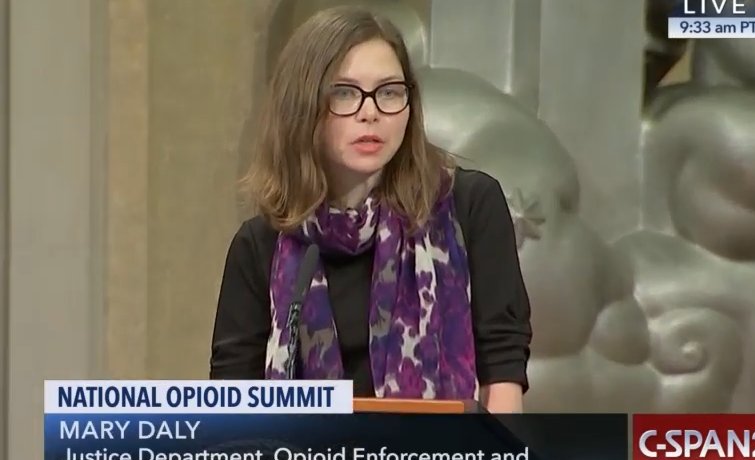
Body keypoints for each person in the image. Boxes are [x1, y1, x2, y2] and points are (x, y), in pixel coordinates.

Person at [210, 6, 532, 413]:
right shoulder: (261, 245)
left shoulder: (470, 206)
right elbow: (231, 403)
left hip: (446, 452)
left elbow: (502, 369)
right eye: (344, 92)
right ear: (302, 106)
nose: (370, 112)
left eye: (389, 92)